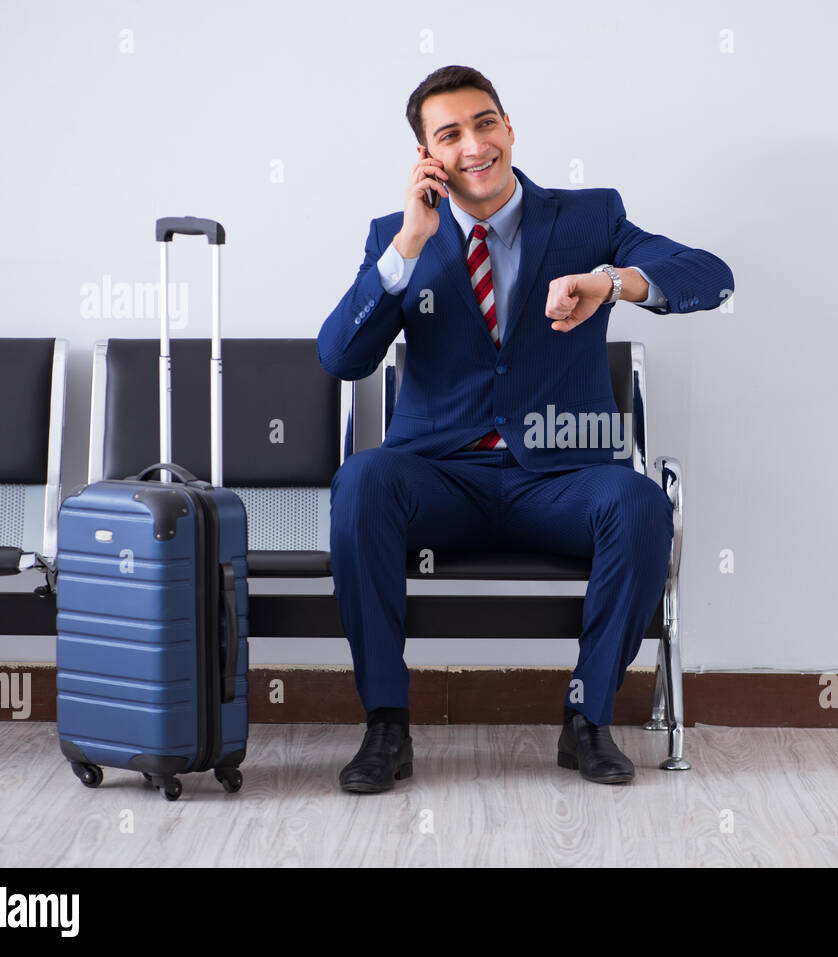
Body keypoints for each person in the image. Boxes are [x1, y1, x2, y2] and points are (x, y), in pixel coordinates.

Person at [317, 65, 734, 792]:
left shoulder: (588, 218)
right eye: (450, 134)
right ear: (427, 157)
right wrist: (408, 246)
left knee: (638, 502)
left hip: (562, 479)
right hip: (439, 479)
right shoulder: (398, 237)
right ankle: (387, 722)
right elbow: (342, 356)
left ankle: (586, 719)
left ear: (510, 129)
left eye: (485, 123)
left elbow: (710, 273)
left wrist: (613, 282)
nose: (474, 144)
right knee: (362, 480)